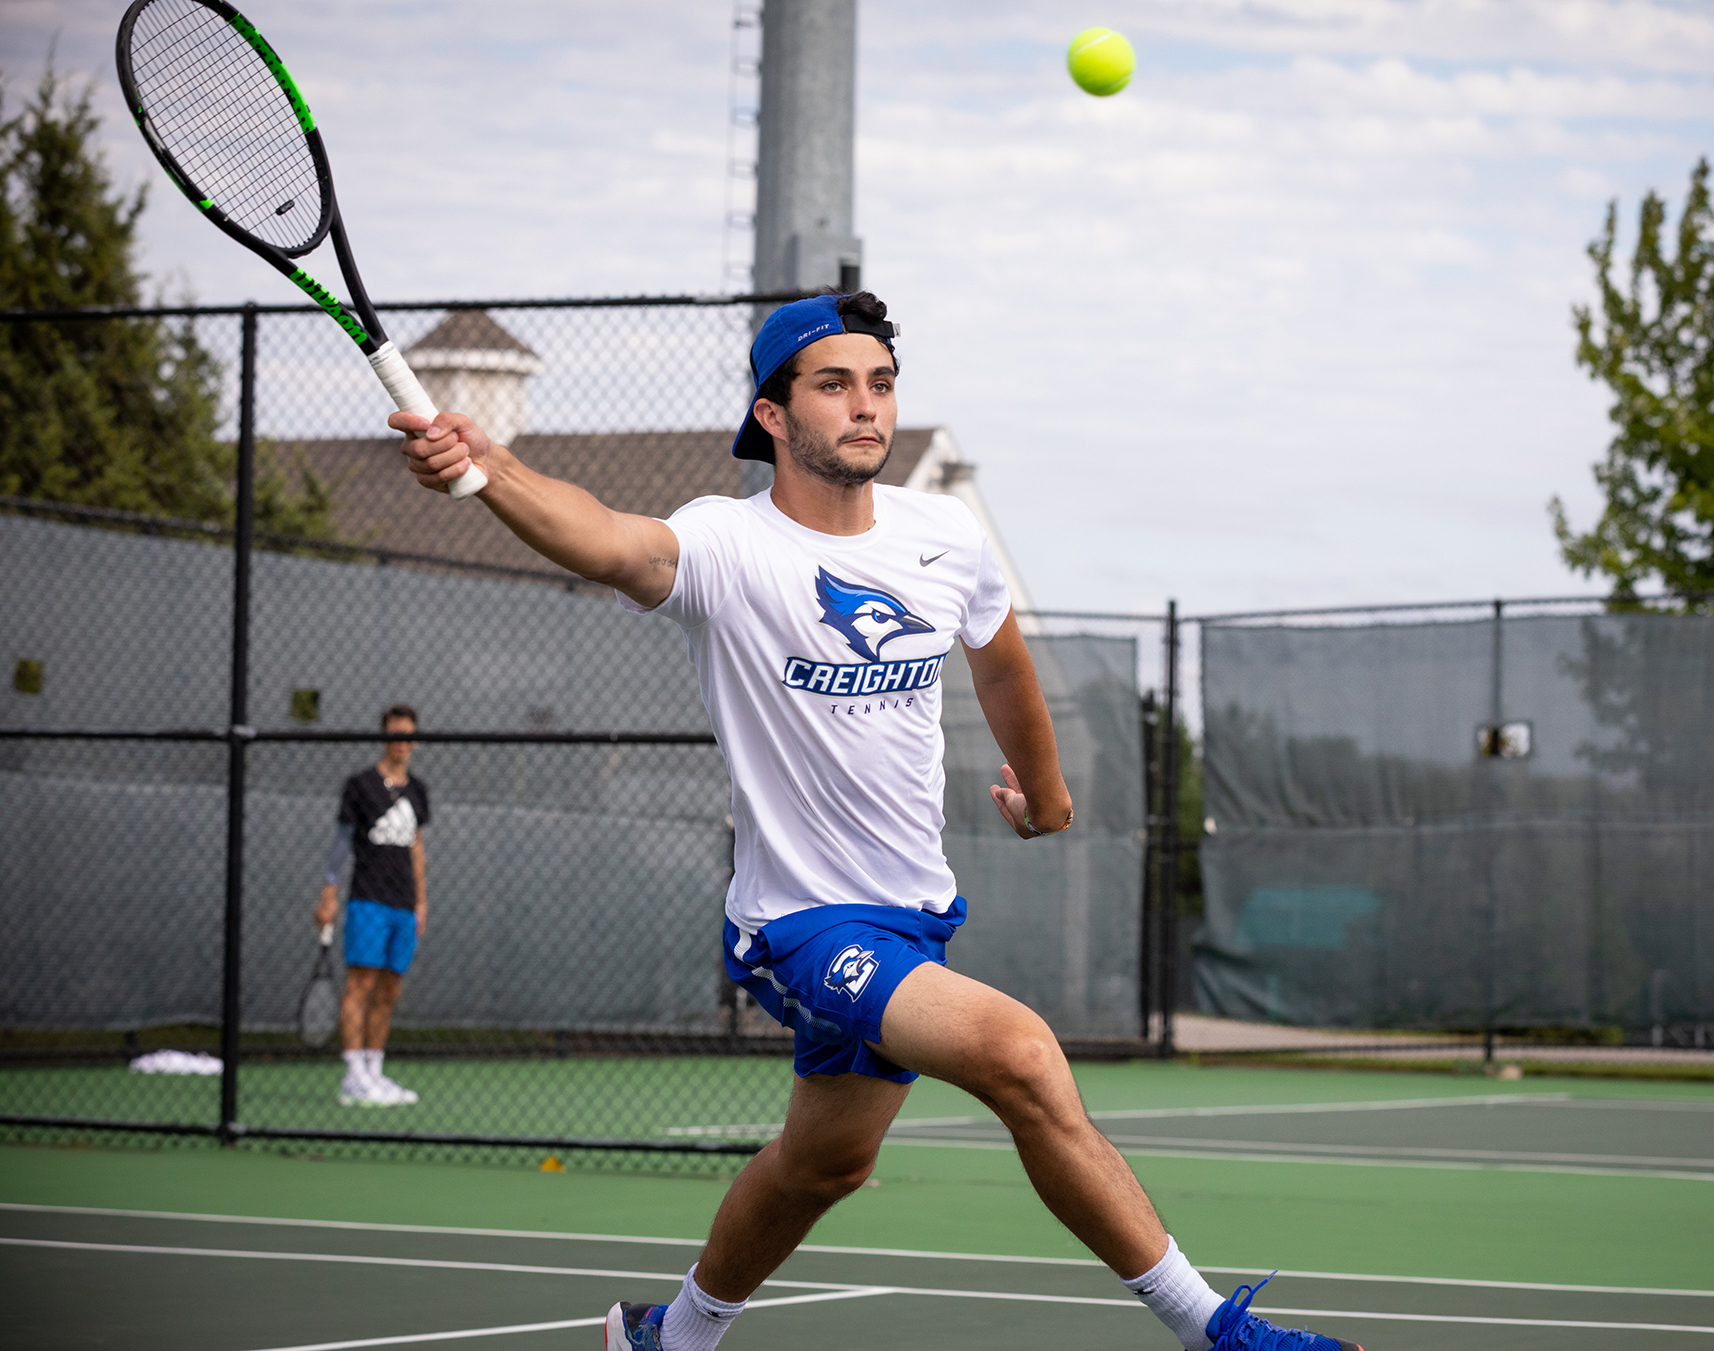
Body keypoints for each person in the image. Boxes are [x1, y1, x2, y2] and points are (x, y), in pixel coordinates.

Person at [393, 292, 1361, 1351]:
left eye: (881, 382)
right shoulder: (725, 545)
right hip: (799, 921)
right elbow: (606, 539)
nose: (867, 405)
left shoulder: (941, 535)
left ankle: (667, 1338)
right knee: (1023, 1057)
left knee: (824, 1166)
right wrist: (485, 468)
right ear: (772, 413)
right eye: (833, 383)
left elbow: (999, 657)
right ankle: (1217, 1333)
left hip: (911, 914)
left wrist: (1046, 794)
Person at [314, 704, 430, 1107]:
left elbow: (416, 846)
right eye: (395, 734)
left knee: (389, 990)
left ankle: (375, 1073)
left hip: (403, 904)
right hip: (367, 900)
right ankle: (353, 1074)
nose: (401, 742)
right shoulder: (359, 785)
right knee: (360, 984)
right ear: (384, 737)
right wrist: (329, 891)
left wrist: (421, 901)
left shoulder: (418, 790)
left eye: (408, 735)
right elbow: (342, 842)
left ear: (415, 741)